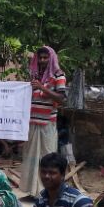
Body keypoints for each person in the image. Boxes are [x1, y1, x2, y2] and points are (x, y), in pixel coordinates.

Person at [19, 46, 67, 197]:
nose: (42, 60)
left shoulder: (58, 75)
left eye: (45, 58)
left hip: (47, 123)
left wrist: (42, 88)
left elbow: (61, 98)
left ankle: (47, 191)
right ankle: (33, 192)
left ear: (51, 58)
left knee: (47, 157)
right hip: (32, 123)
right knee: (31, 157)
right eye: (40, 58)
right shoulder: (34, 75)